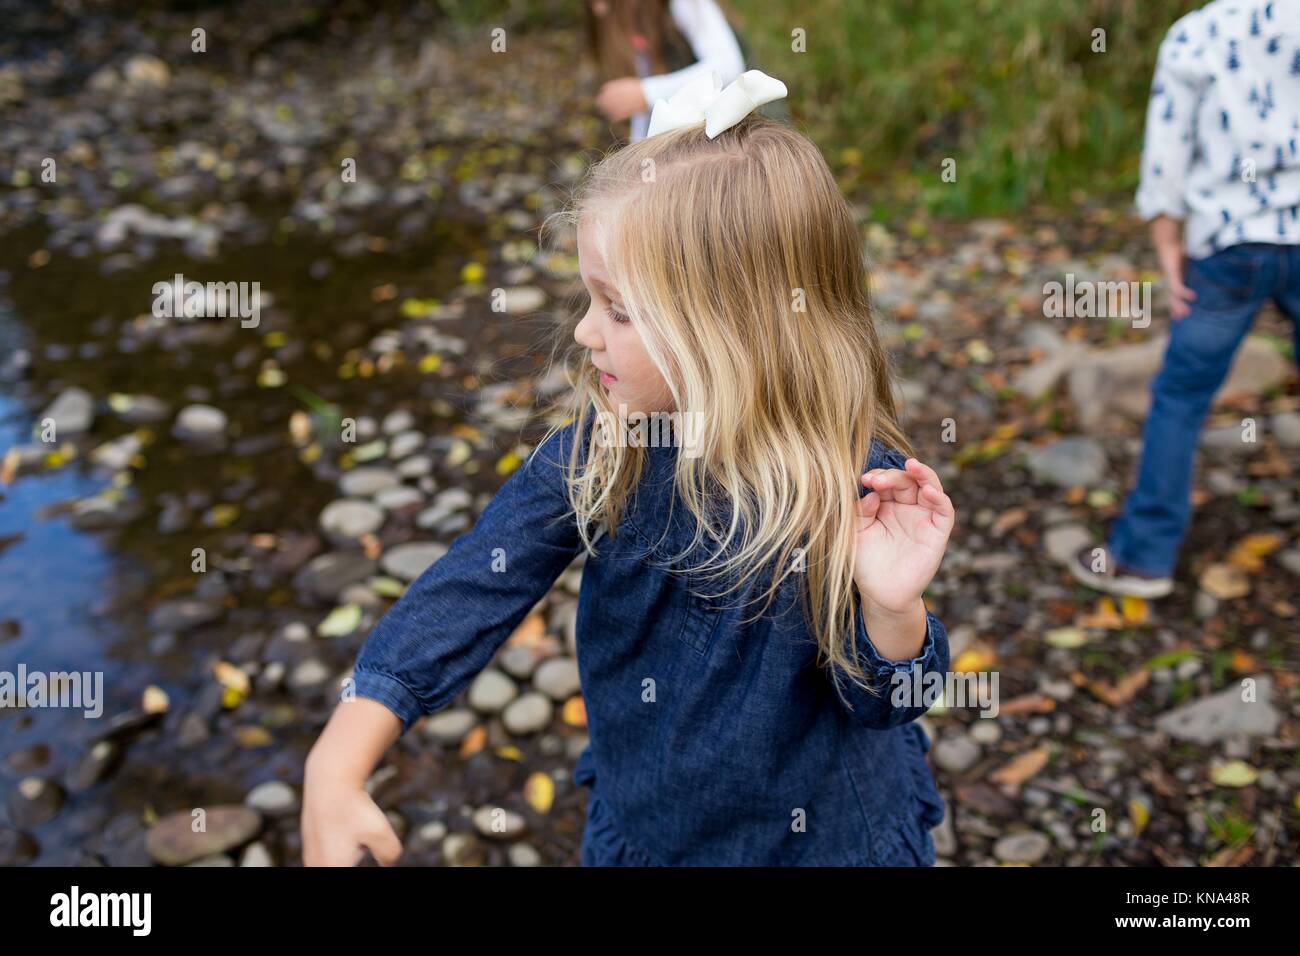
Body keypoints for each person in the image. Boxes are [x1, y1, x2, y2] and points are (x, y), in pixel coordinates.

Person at [302, 72, 955, 866]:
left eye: (616, 309)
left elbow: (888, 705)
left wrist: (893, 610)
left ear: (733, 329)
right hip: (648, 828)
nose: (583, 333)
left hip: (824, 844)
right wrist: (343, 750)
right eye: (589, 299)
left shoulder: (847, 484)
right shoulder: (603, 452)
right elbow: (473, 583)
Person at [1071, 0, 1300, 599]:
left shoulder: (1197, 33)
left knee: (1180, 395)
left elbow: (1167, 151)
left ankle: (1145, 557)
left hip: (1228, 245)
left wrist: (1168, 242)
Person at [584, 0, 769, 143]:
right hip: (696, 138)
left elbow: (728, 66)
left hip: (748, 133)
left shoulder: (682, 4)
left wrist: (646, 93)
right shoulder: (632, 22)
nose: (600, 8)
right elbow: (646, 113)